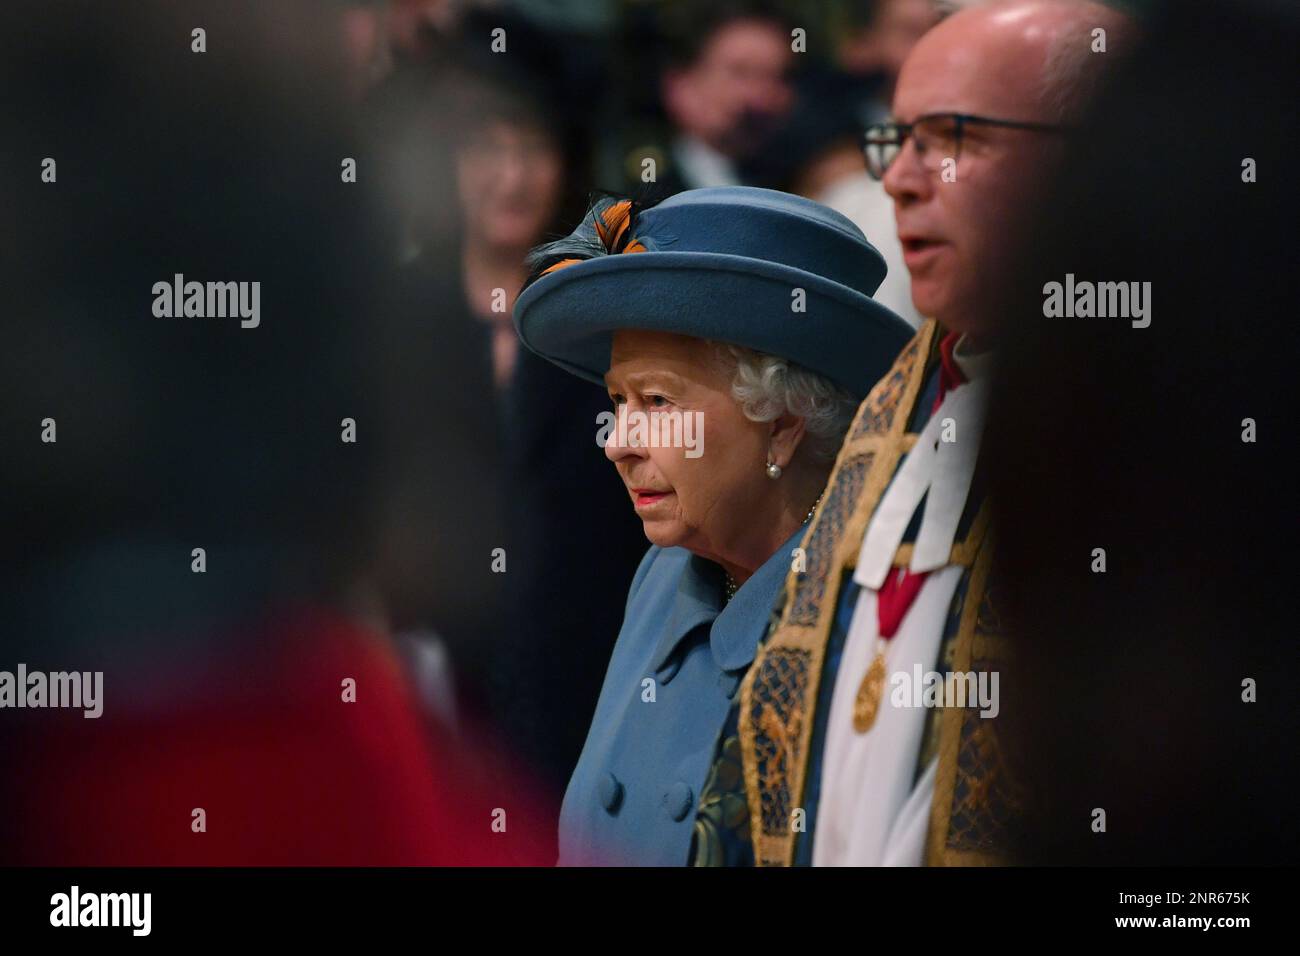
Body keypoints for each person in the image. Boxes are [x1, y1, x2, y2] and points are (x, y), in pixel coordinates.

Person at [706, 0, 1134, 866]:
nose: (898, 177)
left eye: (950, 137)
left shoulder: (1158, 443)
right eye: (894, 138)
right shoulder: (889, 412)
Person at [512, 186, 912, 864]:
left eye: (658, 401)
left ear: (784, 425)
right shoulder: (664, 575)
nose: (618, 440)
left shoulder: (862, 620)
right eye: (617, 400)